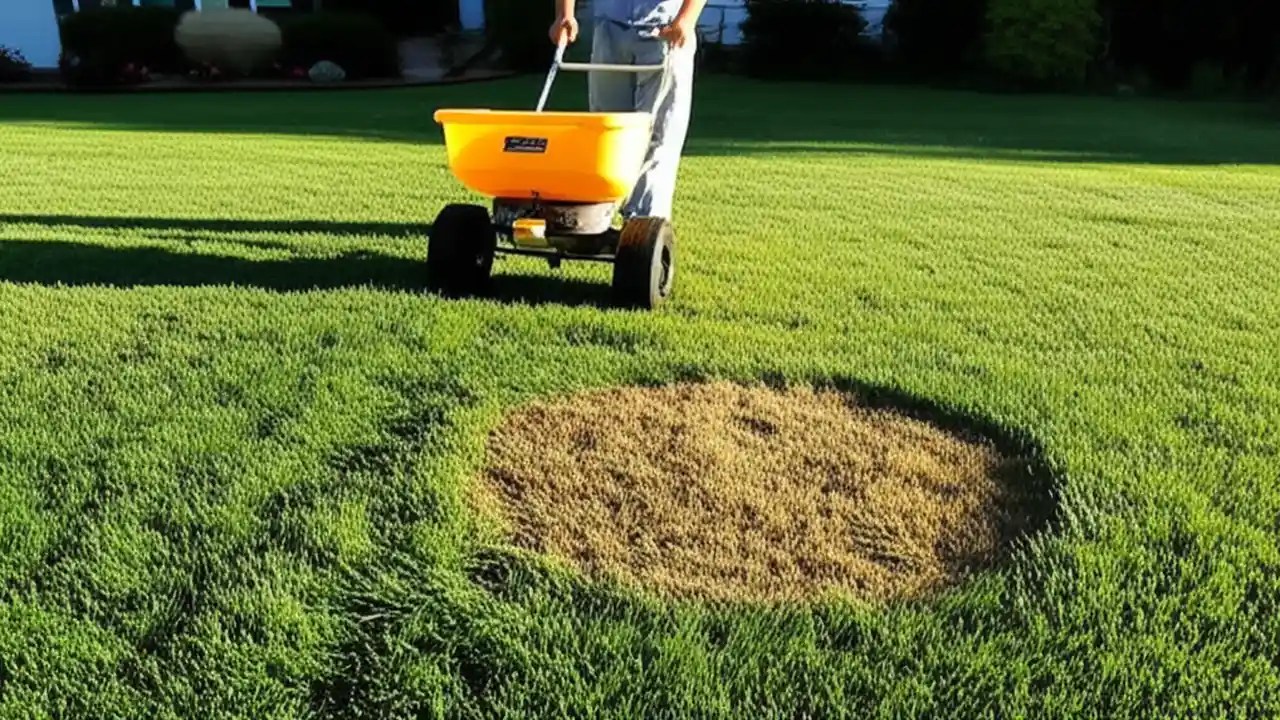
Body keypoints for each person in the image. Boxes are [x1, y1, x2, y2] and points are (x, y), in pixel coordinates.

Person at [549, 0, 705, 222]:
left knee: (658, 134)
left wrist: (686, 19)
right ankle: (595, 218)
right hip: (609, 28)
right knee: (607, 133)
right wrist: (565, 14)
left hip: (666, 30)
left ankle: (644, 224)